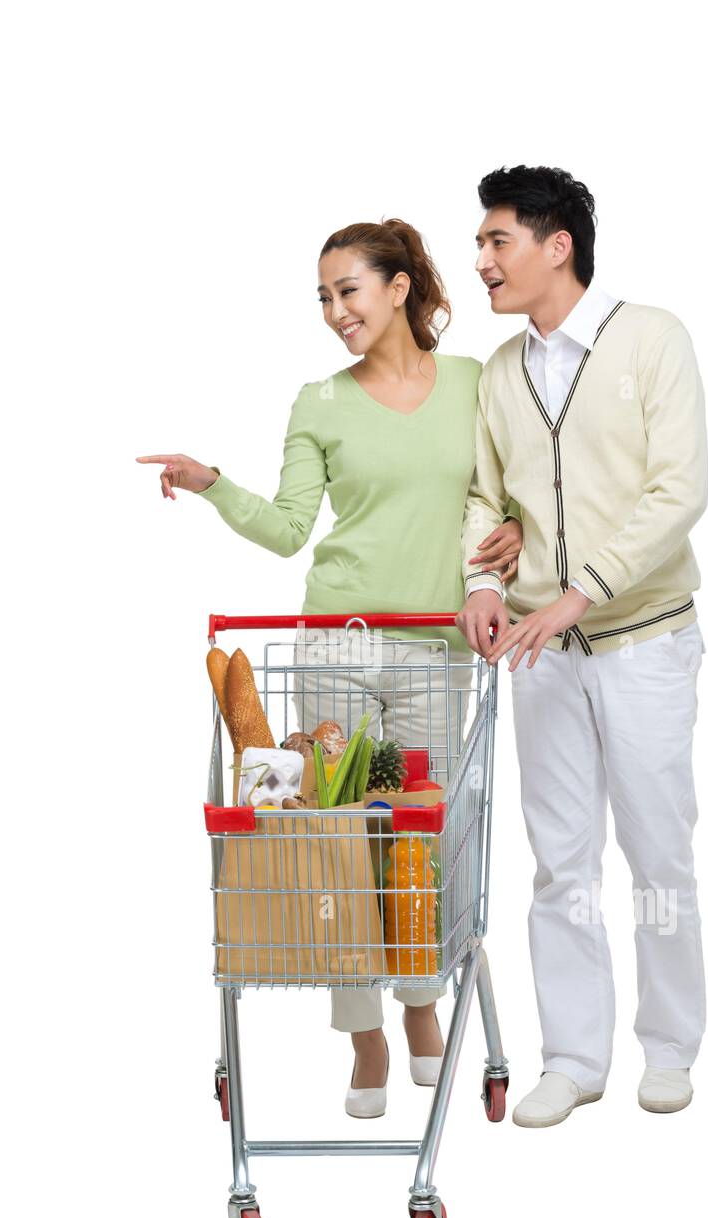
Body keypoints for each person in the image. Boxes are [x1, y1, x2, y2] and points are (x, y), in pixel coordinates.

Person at [137, 218, 523, 1117]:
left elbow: (495, 495)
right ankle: (365, 1033)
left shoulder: (472, 384)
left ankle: (423, 1004)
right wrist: (210, 481)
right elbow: (285, 529)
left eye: (348, 289)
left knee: (419, 834)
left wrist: (510, 546)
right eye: (322, 296)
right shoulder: (318, 402)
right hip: (335, 644)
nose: (334, 310)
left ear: (399, 288)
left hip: (435, 644)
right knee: (340, 840)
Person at [456, 165, 708, 1127]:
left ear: (557, 245)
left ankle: (671, 1045)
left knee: (657, 854)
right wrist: (484, 585)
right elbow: (488, 493)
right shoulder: (501, 373)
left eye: (496, 241)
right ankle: (571, 1053)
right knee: (560, 860)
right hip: (538, 653)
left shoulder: (652, 340)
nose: (481, 260)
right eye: (480, 244)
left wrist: (578, 594)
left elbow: (677, 491)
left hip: (643, 641)